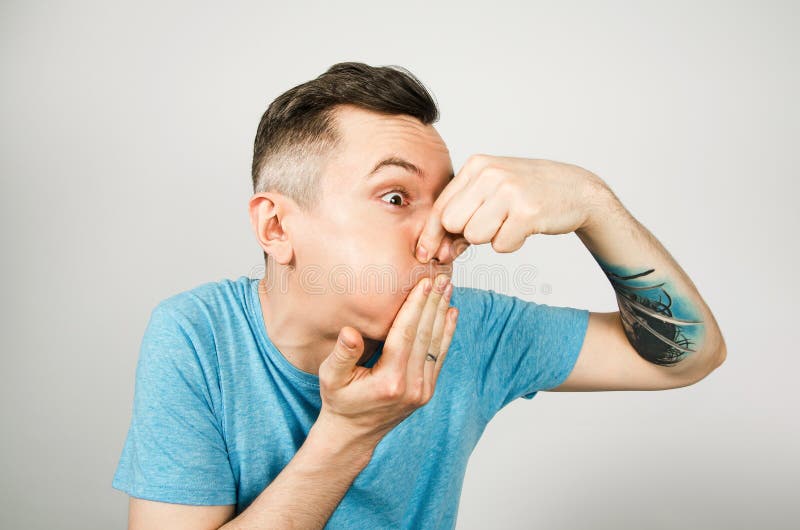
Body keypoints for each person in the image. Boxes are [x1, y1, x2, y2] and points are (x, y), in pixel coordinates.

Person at [111, 62, 727, 529]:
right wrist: (347, 435)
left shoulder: (470, 327)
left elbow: (687, 356)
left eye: (448, 202)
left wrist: (594, 203)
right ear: (277, 227)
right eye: (396, 198)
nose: (445, 236)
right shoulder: (197, 336)